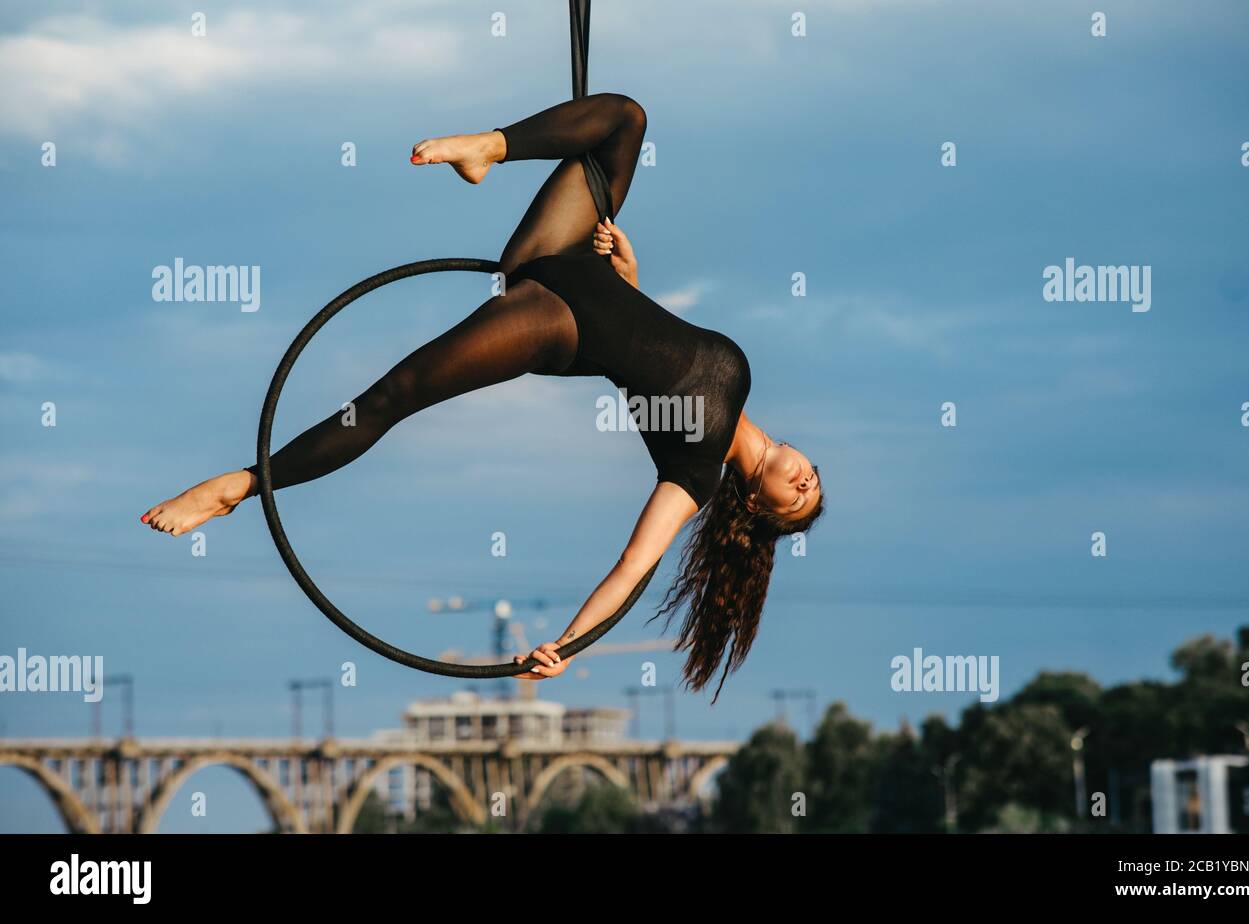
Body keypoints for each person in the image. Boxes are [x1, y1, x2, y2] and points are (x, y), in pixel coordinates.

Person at [141, 94, 824, 702]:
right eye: (813, 478)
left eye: (798, 499)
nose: (803, 478)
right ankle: (486, 152)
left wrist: (569, 645)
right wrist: (633, 280)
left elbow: (630, 565)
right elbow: (655, 347)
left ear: (760, 506)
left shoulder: (693, 473)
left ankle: (239, 486)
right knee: (624, 119)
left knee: (390, 397)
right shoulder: (741, 378)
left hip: (552, 321)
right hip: (570, 259)